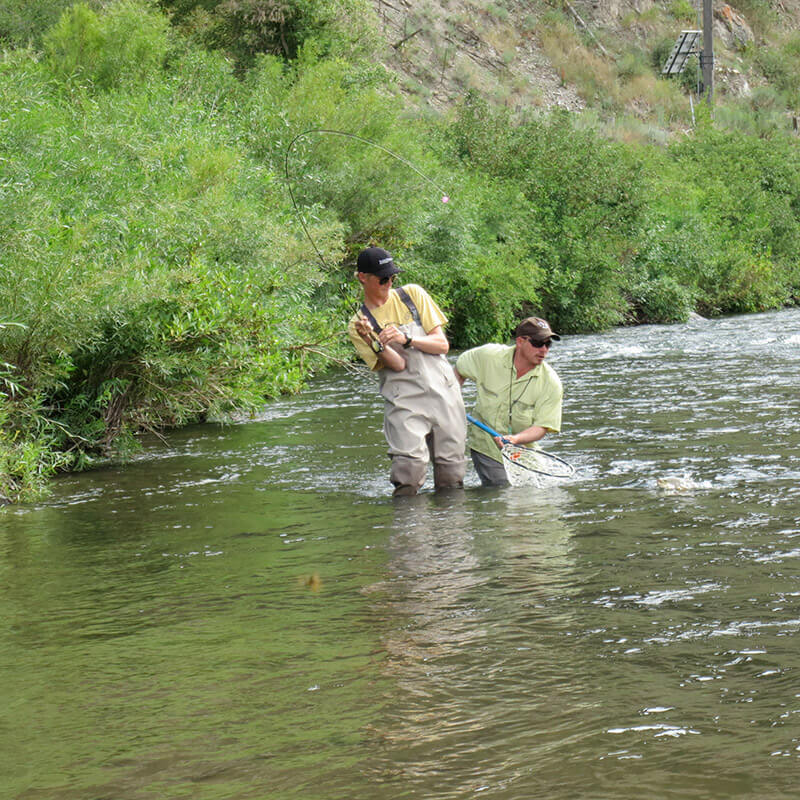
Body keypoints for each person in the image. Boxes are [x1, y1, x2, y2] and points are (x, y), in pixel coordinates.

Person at [348, 246, 466, 496]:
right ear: (363, 278)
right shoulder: (357, 324)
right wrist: (372, 339)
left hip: (444, 394)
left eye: (392, 277)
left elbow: (442, 344)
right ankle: (408, 533)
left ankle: (451, 534)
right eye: (382, 278)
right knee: (408, 474)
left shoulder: (413, 294)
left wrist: (407, 340)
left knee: (451, 476)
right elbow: (397, 365)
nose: (389, 282)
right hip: (405, 402)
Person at [455, 317, 563, 487]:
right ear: (520, 341)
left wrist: (515, 439)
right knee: (503, 487)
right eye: (537, 343)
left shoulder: (551, 383)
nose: (544, 350)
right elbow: (458, 371)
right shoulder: (488, 356)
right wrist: (452, 402)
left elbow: (542, 427)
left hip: (522, 449)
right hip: (486, 446)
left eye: (548, 344)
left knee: (534, 492)